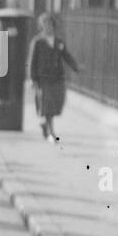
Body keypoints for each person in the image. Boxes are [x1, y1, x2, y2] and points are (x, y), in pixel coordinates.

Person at [29, 12, 79, 140]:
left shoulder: (59, 41)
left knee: (58, 103)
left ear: (53, 26)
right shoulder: (37, 42)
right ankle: (51, 132)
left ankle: (45, 124)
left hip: (57, 78)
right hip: (44, 79)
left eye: (50, 25)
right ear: (41, 27)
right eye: (45, 25)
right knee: (48, 106)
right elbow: (32, 62)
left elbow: (66, 56)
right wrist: (33, 79)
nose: (48, 27)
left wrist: (76, 67)